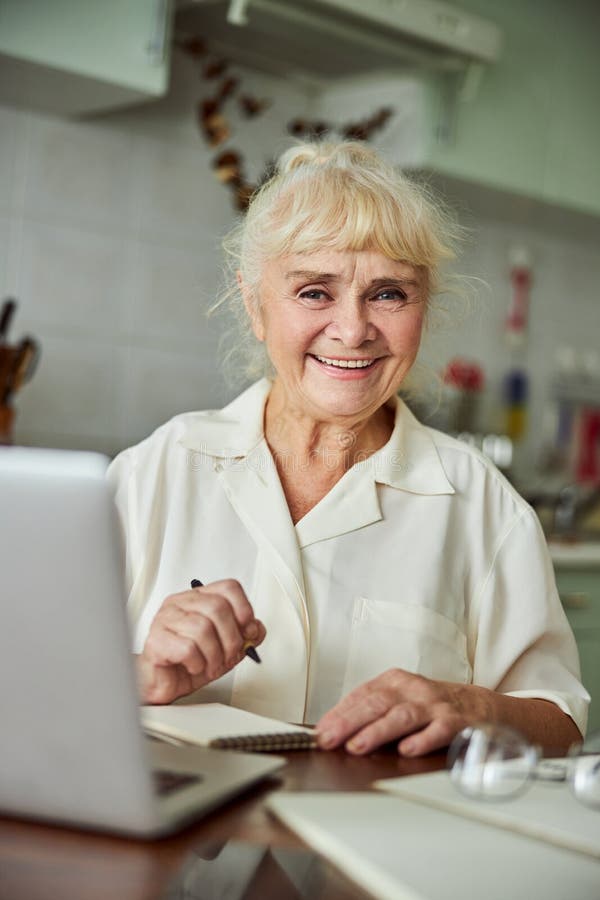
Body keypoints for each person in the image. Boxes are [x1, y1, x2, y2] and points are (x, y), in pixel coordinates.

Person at [108, 141, 588, 757]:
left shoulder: (480, 505)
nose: (353, 329)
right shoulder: (158, 471)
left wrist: (470, 707)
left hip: (378, 846)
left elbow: (560, 722)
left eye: (389, 293)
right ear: (255, 305)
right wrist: (141, 673)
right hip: (180, 843)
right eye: (314, 292)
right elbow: (36, 674)